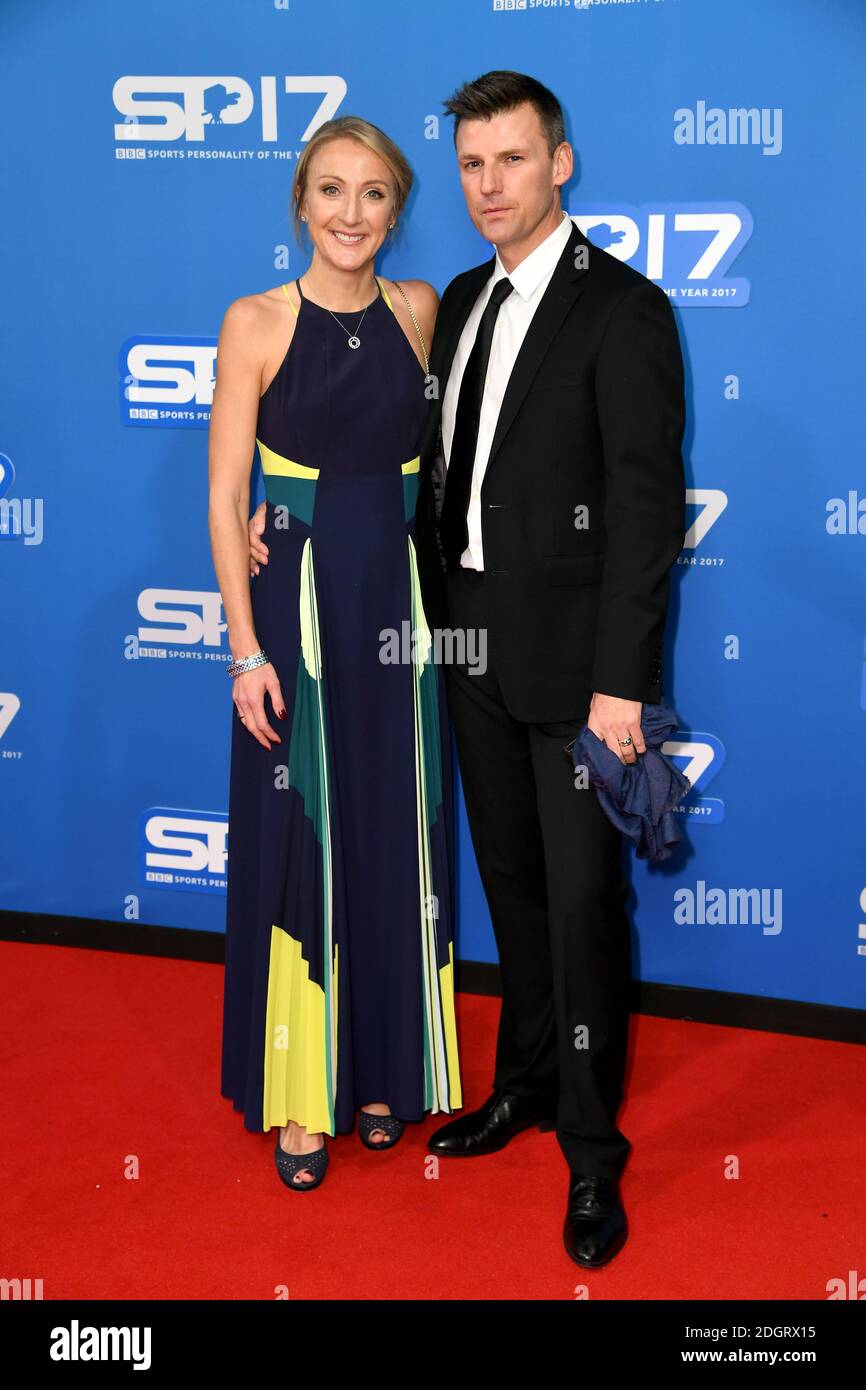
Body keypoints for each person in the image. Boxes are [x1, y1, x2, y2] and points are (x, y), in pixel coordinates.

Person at [415, 71, 685, 1269]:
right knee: (511, 885)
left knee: (581, 907)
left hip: (579, 672)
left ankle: (590, 1152)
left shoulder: (621, 309)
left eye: (510, 161)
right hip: (466, 637)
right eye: (471, 164)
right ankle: (522, 1082)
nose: (487, 187)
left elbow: (642, 514)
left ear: (559, 163)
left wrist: (621, 688)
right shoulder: (464, 294)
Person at [209, 116, 462, 1192]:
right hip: (298, 601)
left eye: (371, 194)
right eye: (329, 190)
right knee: (304, 827)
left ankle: (382, 1075)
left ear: (394, 210)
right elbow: (226, 497)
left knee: (393, 828)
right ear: (300, 204)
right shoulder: (255, 321)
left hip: (397, 600)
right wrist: (243, 646)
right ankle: (298, 1095)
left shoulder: (419, 310)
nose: (350, 213)